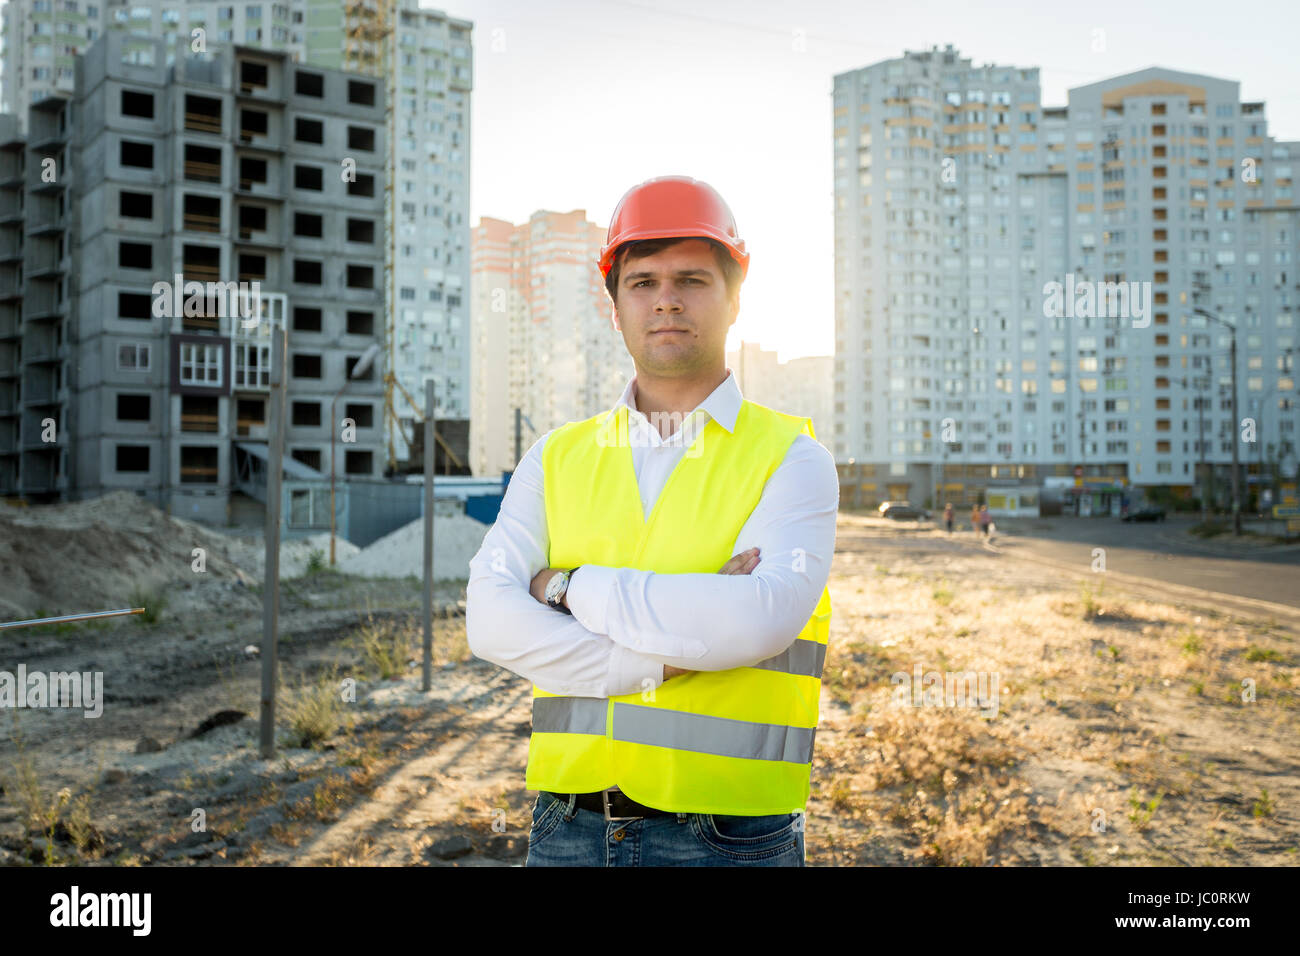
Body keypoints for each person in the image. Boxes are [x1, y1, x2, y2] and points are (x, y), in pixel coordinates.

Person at [466, 176, 839, 867]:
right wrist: (660, 656)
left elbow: (756, 619)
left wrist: (568, 588)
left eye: (692, 278)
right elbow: (489, 622)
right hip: (566, 830)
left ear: (735, 299)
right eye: (641, 282)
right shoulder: (555, 457)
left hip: (730, 839)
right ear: (615, 308)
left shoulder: (794, 458)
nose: (665, 298)